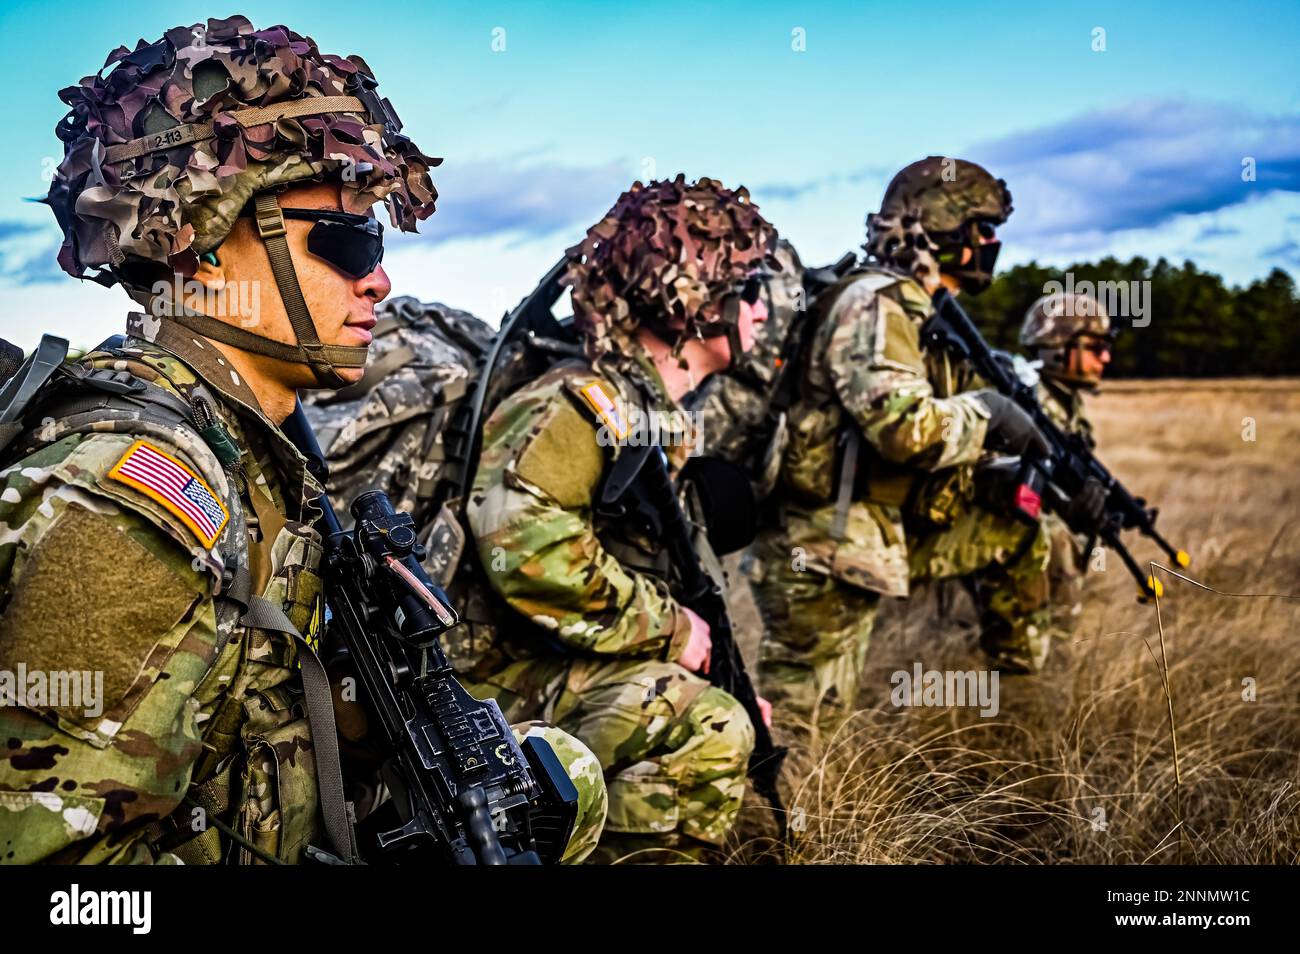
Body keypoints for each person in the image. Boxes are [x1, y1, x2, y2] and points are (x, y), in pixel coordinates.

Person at [0, 15, 604, 865]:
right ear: (202, 247)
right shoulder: (136, 497)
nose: (380, 277)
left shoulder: (258, 449)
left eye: (378, 236)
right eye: (346, 236)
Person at [464, 175, 776, 861]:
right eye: (748, 288)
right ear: (689, 298)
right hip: (490, 683)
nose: (762, 309)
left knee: (716, 710)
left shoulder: (655, 413)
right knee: (707, 721)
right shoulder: (582, 403)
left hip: (550, 669)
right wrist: (669, 631)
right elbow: (525, 543)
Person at [750, 156, 1054, 727]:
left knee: (1017, 525)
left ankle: (1017, 706)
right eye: (981, 230)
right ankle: (775, 817)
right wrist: (988, 412)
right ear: (943, 228)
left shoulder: (917, 309)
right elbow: (904, 428)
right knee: (803, 721)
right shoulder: (878, 301)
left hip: (860, 533)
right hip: (819, 542)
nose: (990, 244)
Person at [1012, 289, 1114, 631]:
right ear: (1059, 348)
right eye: (1097, 348)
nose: (1106, 358)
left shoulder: (1068, 404)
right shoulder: (1026, 400)